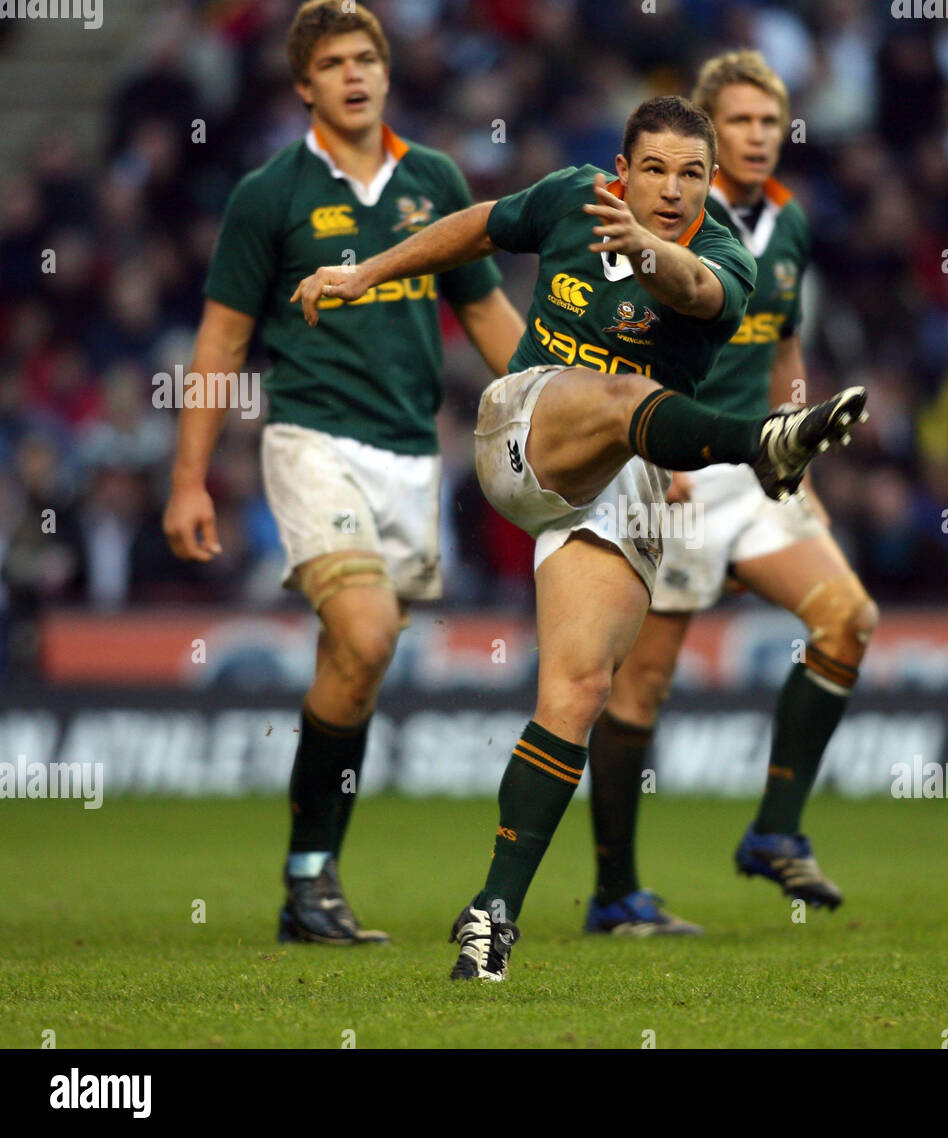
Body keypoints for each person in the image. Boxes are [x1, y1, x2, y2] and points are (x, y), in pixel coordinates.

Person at [292, 95, 869, 980]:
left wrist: (648, 251)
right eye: (655, 170)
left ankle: (491, 916)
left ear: (710, 181)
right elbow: (479, 226)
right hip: (523, 429)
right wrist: (366, 272)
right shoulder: (571, 195)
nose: (672, 189)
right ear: (622, 170)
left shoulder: (725, 257)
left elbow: (697, 290)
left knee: (579, 689)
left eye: (691, 174)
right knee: (625, 393)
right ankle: (760, 443)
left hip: (621, 483)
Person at [162, 0, 524, 946]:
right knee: (363, 636)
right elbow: (221, 341)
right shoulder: (269, 194)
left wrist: (561, 403)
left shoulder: (436, 179)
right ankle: (310, 877)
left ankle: (307, 882)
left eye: (367, 57)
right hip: (312, 441)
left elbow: (485, 313)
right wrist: (189, 477)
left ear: (388, 71)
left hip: (411, 456)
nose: (355, 74)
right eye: (333, 63)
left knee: (354, 667)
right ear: (303, 85)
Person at [582, 52, 881, 937]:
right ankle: (615, 894)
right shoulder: (665, 214)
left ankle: (775, 832)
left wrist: (801, 456)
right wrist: (648, 444)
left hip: (755, 467)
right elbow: (614, 336)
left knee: (848, 619)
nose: (758, 136)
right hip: (669, 465)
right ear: (708, 138)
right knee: (639, 690)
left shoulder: (790, 222)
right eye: (740, 122)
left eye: (770, 121)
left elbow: (784, 345)